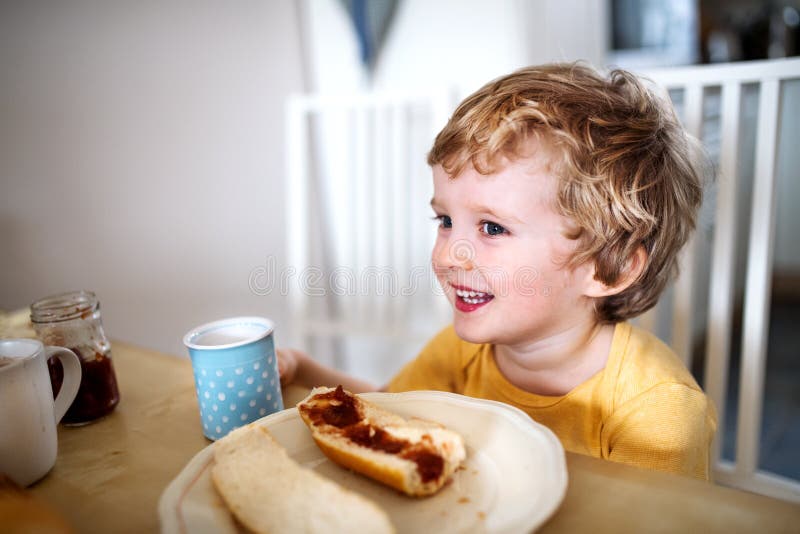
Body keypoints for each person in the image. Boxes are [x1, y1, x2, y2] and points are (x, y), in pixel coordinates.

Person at [278, 63, 717, 480]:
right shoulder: (460, 350)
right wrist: (302, 370)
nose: (451, 254)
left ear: (607, 268)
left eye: (492, 227)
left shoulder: (657, 411)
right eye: (445, 221)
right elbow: (387, 407)